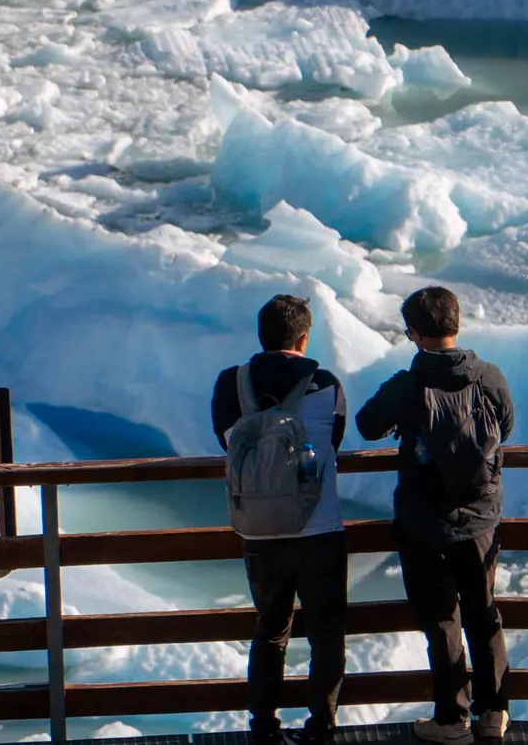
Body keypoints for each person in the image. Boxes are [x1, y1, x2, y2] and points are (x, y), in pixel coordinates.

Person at [357, 287, 516, 744]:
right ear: (457, 323)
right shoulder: (488, 376)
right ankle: (494, 714)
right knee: (483, 614)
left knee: (443, 621)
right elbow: (505, 428)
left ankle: (451, 721)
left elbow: (367, 425)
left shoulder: (408, 384)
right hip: (480, 518)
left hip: (424, 524)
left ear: (413, 333)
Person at [212, 294, 349, 745]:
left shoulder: (231, 384)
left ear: (261, 335)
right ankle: (322, 727)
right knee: (326, 635)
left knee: (270, 632)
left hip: (259, 530)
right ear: (303, 339)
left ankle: (264, 728)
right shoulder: (326, 384)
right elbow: (334, 442)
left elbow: (228, 444)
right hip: (320, 530)